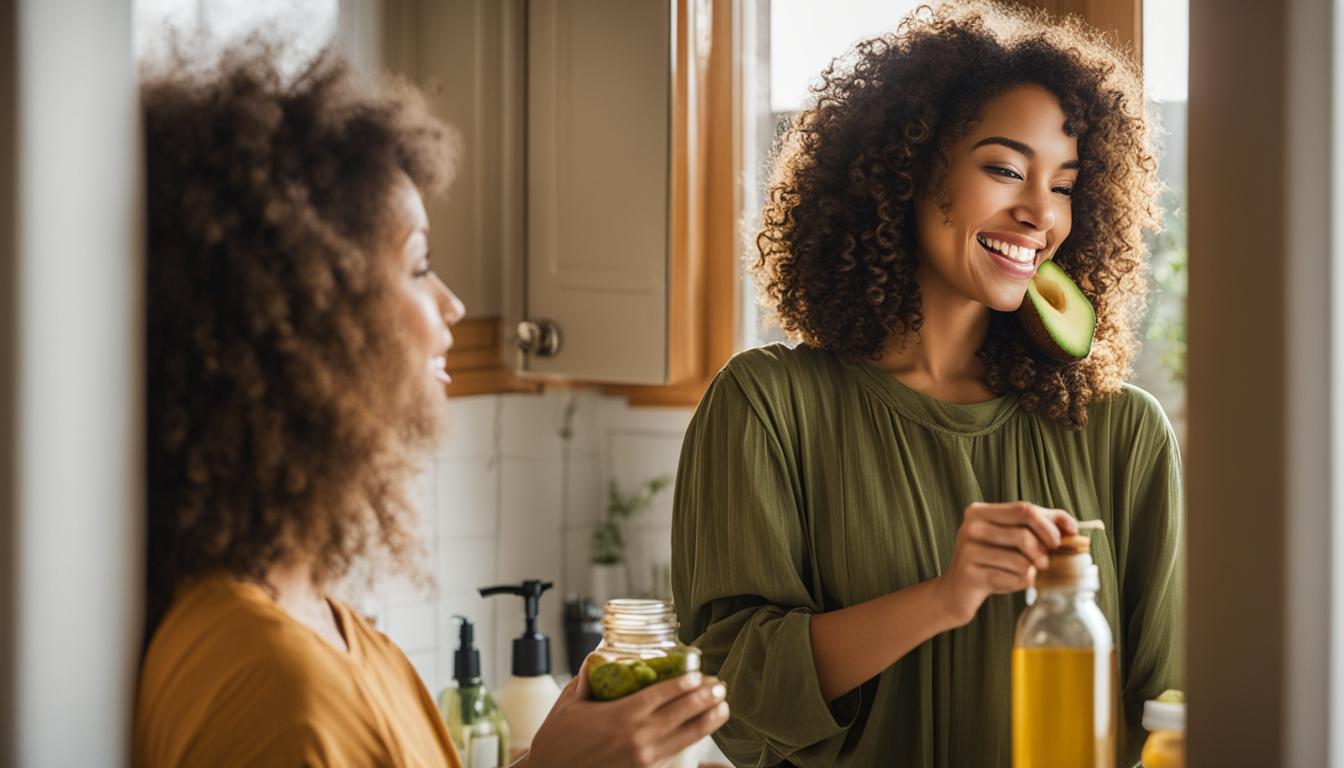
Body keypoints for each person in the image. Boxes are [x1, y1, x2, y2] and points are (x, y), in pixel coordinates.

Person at [133, 43, 728, 767]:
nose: (453, 304)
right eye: (418, 266)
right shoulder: (275, 689)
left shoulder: (321, 625)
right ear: (311, 321)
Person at [671, 2, 1181, 766]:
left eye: (1065, 185)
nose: (1040, 212)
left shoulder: (1123, 433)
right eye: (1005, 168)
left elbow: (1167, 711)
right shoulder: (766, 406)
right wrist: (944, 596)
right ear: (906, 170)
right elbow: (730, 700)